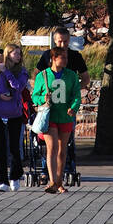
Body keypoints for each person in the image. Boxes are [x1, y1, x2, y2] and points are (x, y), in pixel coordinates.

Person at [37, 26, 88, 178]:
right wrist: (43, 96)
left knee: (65, 145)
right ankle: (47, 172)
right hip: (50, 109)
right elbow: (37, 75)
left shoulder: (75, 56)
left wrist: (72, 91)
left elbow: (86, 78)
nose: (62, 45)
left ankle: (66, 170)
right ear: (54, 41)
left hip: (66, 108)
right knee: (49, 145)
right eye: (59, 41)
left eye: (65, 41)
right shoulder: (47, 55)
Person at [32, 45, 80, 194]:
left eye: (66, 57)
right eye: (62, 57)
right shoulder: (43, 76)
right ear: (53, 58)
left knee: (62, 151)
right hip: (49, 116)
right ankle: (52, 181)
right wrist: (42, 99)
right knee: (52, 148)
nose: (66, 60)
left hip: (65, 116)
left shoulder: (71, 75)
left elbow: (76, 95)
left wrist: (73, 107)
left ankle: (59, 182)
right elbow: (34, 96)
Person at [0, 43, 30, 191]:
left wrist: (7, 73)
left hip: (15, 114)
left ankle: (15, 176)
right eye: (15, 53)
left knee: (14, 147)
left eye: (19, 53)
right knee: (1, 147)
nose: (18, 56)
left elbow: (18, 87)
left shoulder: (22, 71)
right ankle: (1, 181)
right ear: (8, 54)